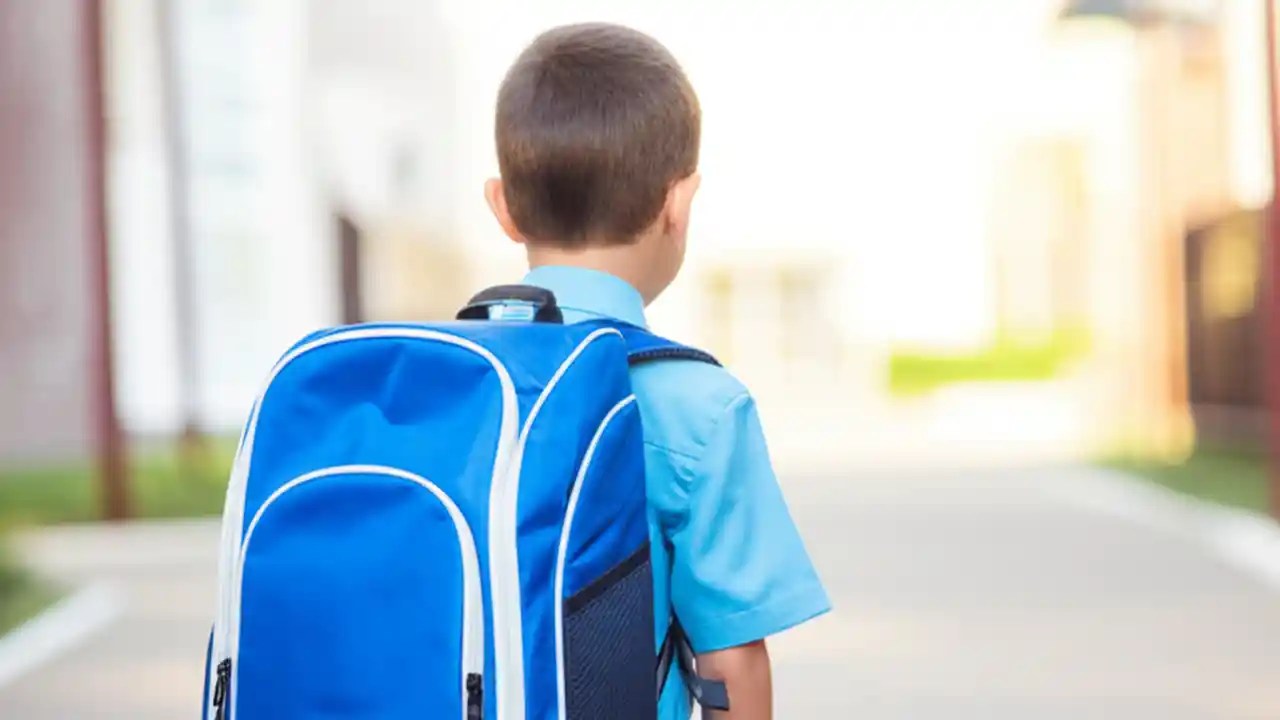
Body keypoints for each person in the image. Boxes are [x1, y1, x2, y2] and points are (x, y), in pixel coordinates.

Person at [483, 22, 831, 719]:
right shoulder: (698, 406)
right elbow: (729, 656)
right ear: (679, 204)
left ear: (505, 208)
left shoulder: (439, 384)